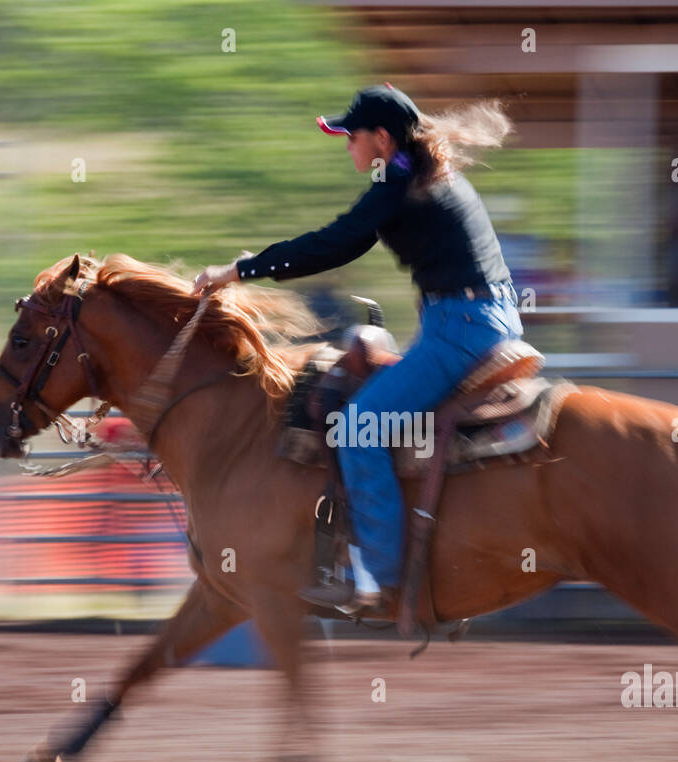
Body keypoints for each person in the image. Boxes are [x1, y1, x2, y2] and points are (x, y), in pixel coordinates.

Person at [192, 83, 523, 613]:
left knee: (359, 428)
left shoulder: (396, 180)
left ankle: (377, 579)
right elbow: (338, 240)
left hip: (459, 327)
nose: (347, 145)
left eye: (352, 136)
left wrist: (239, 271)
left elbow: (337, 241)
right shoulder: (424, 174)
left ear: (381, 138)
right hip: (484, 318)